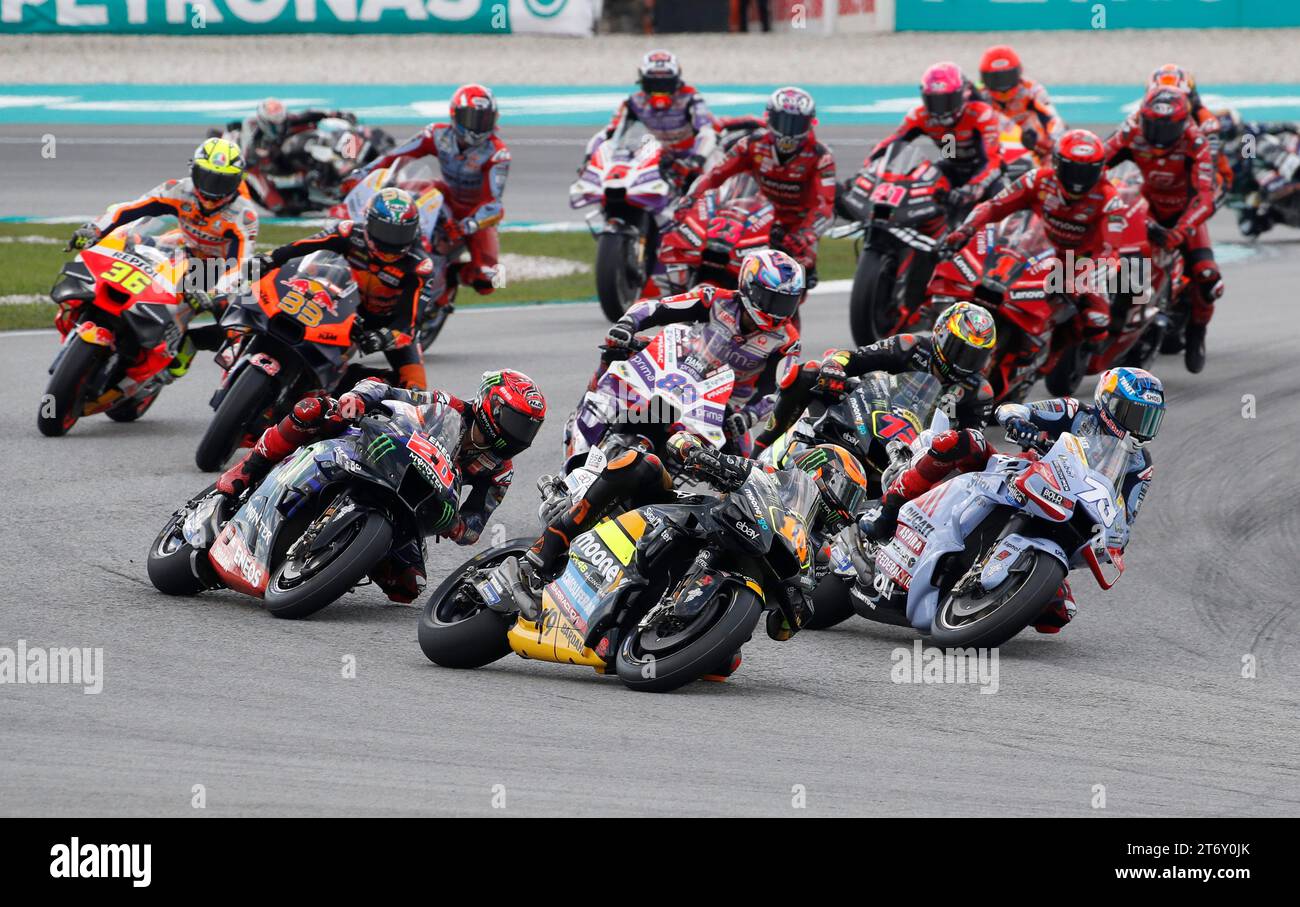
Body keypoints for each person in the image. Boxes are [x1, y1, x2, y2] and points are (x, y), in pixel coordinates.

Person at [860, 366, 1164, 633]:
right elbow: (1013, 410)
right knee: (960, 442)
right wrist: (1022, 425)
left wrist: (1113, 538)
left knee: (1056, 615)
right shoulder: (1075, 412)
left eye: (1150, 420)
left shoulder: (1140, 466)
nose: (1141, 427)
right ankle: (888, 511)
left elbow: (1125, 520)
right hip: (1020, 477)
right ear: (1108, 404)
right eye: (1135, 415)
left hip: (1067, 516)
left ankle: (987, 594)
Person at [509, 433, 867, 650]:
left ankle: (653, 631)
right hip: (681, 517)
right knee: (643, 462)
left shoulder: (816, 554)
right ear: (819, 472)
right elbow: (683, 447)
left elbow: (782, 629)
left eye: (853, 502)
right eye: (846, 493)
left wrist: (796, 611)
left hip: (729, 584)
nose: (845, 508)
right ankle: (542, 555)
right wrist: (698, 455)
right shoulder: (767, 477)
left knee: (725, 665)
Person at [216, 370, 546, 603]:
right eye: (516, 423)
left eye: (528, 430)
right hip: (374, 452)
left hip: (414, 504)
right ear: (492, 406)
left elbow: (475, 525)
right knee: (313, 410)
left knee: (408, 587)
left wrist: (455, 524)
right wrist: (358, 399)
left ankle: (338, 557)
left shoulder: (500, 472)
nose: (519, 436)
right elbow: (385, 390)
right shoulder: (447, 405)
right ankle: (249, 467)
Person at [604, 249, 805, 449]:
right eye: (771, 300)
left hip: (722, 406)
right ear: (749, 287)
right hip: (677, 373)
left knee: (744, 463)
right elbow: (659, 308)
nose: (778, 311)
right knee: (620, 351)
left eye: (786, 302)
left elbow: (780, 391)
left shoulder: (787, 341)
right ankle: (592, 417)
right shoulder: (715, 299)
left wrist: (749, 416)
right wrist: (628, 323)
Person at [940, 129, 1117, 348]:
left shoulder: (1109, 198)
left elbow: (1113, 248)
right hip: (1036, 249)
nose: (1078, 181)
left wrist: (1083, 277)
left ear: (1099, 170)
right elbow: (994, 206)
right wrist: (965, 230)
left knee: (1097, 325)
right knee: (980, 273)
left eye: (1086, 172)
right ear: (1056, 164)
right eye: (1072, 170)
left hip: (1079, 261)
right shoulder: (1038, 180)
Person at [754, 301, 998, 452]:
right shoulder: (910, 346)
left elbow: (971, 446)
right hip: (870, 415)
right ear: (941, 335)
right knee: (807, 372)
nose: (964, 362)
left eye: (975, 357)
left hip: (917, 453)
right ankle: (762, 448)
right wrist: (834, 367)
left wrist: (950, 447)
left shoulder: (979, 393)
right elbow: (854, 358)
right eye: (960, 350)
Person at [252, 188, 434, 389]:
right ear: (368, 222)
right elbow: (300, 247)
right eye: (385, 231)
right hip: (338, 306)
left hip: (383, 325)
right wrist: (270, 258)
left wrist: (384, 337)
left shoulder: (419, 266)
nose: (391, 241)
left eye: (401, 233)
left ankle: (344, 399)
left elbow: (409, 322)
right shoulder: (348, 232)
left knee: (416, 390)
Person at [344, 84, 508, 295]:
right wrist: (360, 175)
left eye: (483, 120)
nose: (477, 127)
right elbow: (394, 157)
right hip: (445, 196)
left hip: (474, 213)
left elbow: (495, 206)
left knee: (491, 281)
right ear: (455, 115)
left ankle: (451, 277)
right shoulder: (436, 134)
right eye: (471, 119)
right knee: (397, 198)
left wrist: (466, 226)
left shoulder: (498, 154)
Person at [1105, 87, 1219, 373]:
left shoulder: (1196, 141)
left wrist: (1181, 230)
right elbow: (1099, 159)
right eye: (1152, 124)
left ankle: (1196, 332)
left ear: (1182, 124)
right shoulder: (1132, 129)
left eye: (1165, 128)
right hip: (1144, 207)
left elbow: (1206, 197)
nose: (1156, 135)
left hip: (1184, 217)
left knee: (1207, 276)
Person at [678, 87, 834, 278]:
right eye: (783, 121)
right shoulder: (751, 144)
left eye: (796, 124)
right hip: (754, 217)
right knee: (706, 249)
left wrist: (803, 236)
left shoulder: (821, 157)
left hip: (795, 227)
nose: (788, 130)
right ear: (769, 118)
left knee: (802, 271)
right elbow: (715, 176)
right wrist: (689, 201)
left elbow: (824, 207)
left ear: (810, 123)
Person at [69, 137, 259, 287]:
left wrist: (213, 293)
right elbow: (130, 209)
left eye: (222, 182)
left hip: (219, 266)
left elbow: (239, 265)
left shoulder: (244, 215)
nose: (213, 191)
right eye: (207, 178)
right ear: (194, 170)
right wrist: (95, 229)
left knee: (231, 304)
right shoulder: (177, 189)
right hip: (186, 248)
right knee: (133, 247)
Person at [867, 62, 1004, 210]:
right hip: (952, 163)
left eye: (947, 101)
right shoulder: (919, 116)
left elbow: (993, 160)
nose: (941, 109)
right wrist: (868, 172)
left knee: (1000, 192)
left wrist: (971, 189)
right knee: (923, 181)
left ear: (962, 94)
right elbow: (891, 143)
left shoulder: (981, 113)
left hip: (982, 168)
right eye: (934, 102)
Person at [587, 50, 717, 194]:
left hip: (695, 155)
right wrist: (590, 159)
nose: (659, 89)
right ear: (643, 80)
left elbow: (707, 132)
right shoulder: (634, 102)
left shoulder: (691, 98)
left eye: (665, 82)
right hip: (663, 155)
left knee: (711, 179)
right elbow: (609, 133)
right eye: (653, 82)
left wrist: (697, 159)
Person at [977, 45, 1065, 157]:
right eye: (995, 79)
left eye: (1007, 77)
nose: (1003, 86)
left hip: (1034, 150)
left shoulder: (1032, 90)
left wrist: (1049, 140)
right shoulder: (979, 97)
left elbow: (1054, 120)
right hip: (992, 152)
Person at [224, 97, 357, 171]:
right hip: (273, 170)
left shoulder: (288, 120)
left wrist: (339, 115)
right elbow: (249, 159)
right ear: (265, 122)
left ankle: (342, 160)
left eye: (282, 121)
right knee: (278, 204)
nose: (280, 126)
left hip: (296, 161)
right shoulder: (257, 137)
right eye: (276, 124)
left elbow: (311, 114)